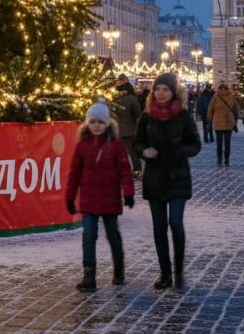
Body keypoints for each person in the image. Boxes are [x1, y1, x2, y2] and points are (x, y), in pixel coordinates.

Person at [133, 72, 201, 289]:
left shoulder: (183, 116)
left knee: (175, 223)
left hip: (177, 175)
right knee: (159, 226)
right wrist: (144, 151)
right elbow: (137, 143)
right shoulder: (146, 117)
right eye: (158, 89)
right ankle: (165, 272)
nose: (161, 93)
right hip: (154, 177)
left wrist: (181, 152)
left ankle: (179, 269)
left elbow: (195, 144)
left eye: (165, 89)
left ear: (173, 92)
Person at [65, 101, 135, 291]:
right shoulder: (82, 146)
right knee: (89, 235)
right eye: (93, 121)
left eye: (100, 122)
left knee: (113, 235)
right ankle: (89, 275)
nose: (96, 126)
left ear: (107, 124)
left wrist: (128, 193)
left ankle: (119, 270)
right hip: (88, 200)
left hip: (110, 199)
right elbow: (74, 174)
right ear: (88, 123)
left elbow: (125, 172)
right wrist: (70, 197)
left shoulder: (116, 146)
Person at [113, 76, 142, 176]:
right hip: (131, 130)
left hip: (119, 130)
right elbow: (138, 114)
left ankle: (124, 171)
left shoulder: (116, 100)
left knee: (121, 153)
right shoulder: (133, 99)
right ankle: (137, 171)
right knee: (133, 153)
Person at [207, 82, 238, 167]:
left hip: (218, 123)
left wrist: (209, 120)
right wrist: (235, 120)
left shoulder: (215, 98)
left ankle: (219, 159)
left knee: (219, 143)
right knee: (227, 143)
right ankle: (227, 160)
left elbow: (210, 110)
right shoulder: (231, 97)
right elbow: (236, 110)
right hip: (229, 122)